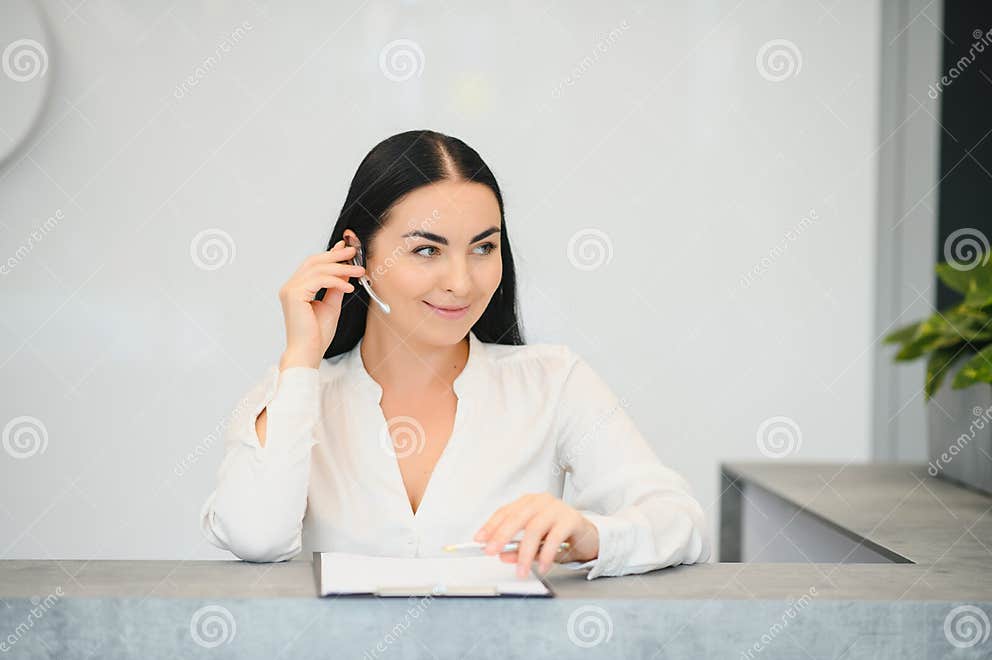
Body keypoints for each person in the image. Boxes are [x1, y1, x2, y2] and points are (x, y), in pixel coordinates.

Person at [199, 129, 711, 580]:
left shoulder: (553, 382)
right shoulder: (296, 393)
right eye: (427, 250)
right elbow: (255, 536)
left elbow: (680, 521)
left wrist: (590, 535)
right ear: (357, 255)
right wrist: (302, 357)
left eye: (484, 248)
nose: (462, 282)